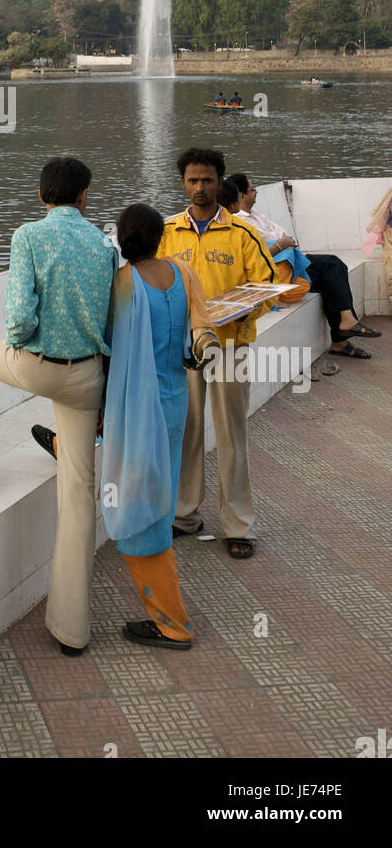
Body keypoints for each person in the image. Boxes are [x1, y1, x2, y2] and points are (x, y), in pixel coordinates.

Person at [0, 156, 118, 655]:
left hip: (36, 365)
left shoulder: (28, 237)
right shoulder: (105, 245)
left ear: (43, 196)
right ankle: (70, 630)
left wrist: (22, 343)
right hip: (87, 378)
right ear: (84, 197)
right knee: (79, 497)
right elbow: (110, 323)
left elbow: (19, 317)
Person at [32, 203, 219, 650]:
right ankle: (66, 446)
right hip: (174, 402)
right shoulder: (180, 273)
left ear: (120, 241)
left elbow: (107, 347)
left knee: (140, 506)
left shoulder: (122, 284)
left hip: (136, 408)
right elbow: (198, 326)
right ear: (160, 238)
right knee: (154, 488)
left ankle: (173, 623)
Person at [157, 148, 278, 559]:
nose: (200, 187)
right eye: (192, 180)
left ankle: (238, 524)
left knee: (231, 435)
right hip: (184, 350)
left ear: (219, 181)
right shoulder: (167, 232)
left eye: (207, 180)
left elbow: (266, 284)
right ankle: (184, 514)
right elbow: (155, 285)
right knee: (187, 432)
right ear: (183, 183)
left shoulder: (243, 235)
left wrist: (242, 308)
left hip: (231, 347)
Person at [230, 173, 381, 361]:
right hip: (278, 271)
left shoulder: (257, 216)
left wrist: (283, 242)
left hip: (292, 260)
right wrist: (281, 243)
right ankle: (344, 330)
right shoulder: (239, 223)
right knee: (332, 266)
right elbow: (262, 252)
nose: (256, 192)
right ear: (242, 195)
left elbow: (283, 235)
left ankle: (342, 334)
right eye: (252, 189)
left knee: (332, 272)